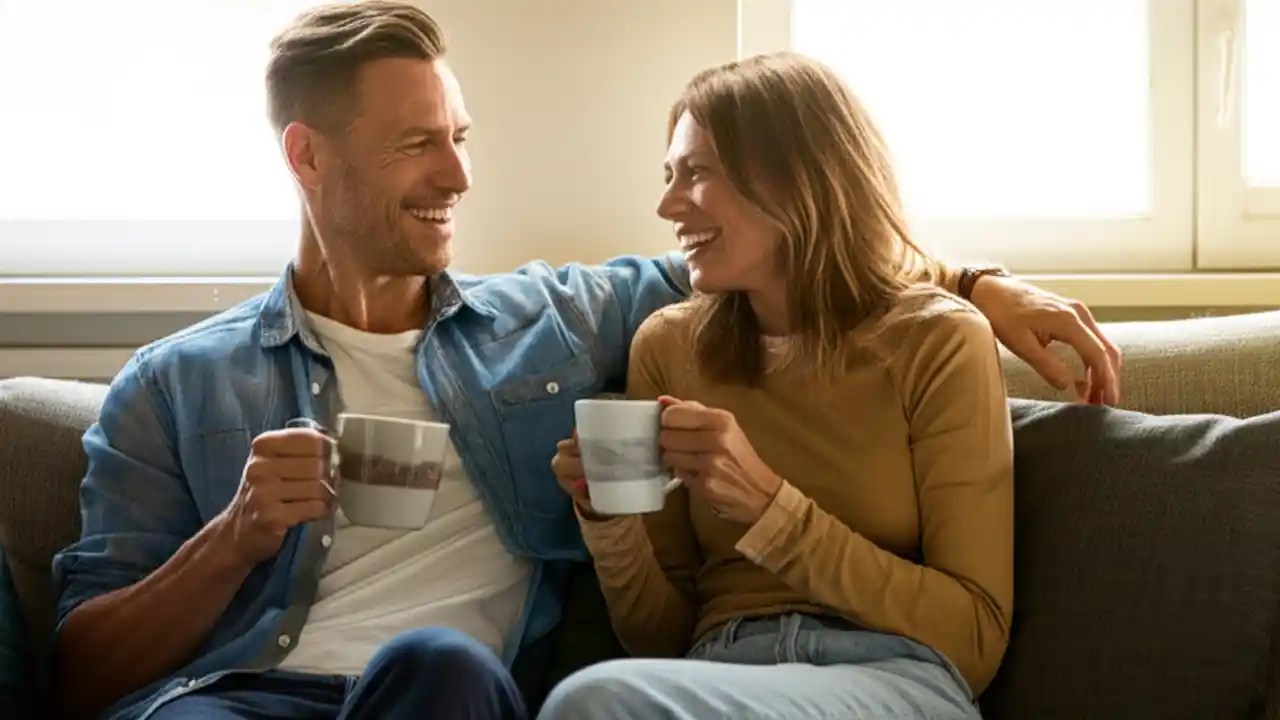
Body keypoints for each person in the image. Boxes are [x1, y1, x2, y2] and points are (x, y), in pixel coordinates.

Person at [49, 3, 1116, 719]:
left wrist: (975, 283)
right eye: (418, 143)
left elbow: (806, 241)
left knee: (442, 668)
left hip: (450, 695)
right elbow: (81, 672)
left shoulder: (553, 321)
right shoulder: (172, 381)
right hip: (238, 697)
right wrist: (235, 539)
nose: (459, 174)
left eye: (460, 134)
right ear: (307, 156)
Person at [542, 52, 1012, 719]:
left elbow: (975, 639)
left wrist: (770, 509)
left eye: (695, 173)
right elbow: (663, 637)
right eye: (669, 175)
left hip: (893, 677)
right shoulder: (669, 347)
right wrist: (610, 522)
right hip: (717, 674)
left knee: (593, 703)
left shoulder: (938, 341)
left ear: (796, 178)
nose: (667, 204)